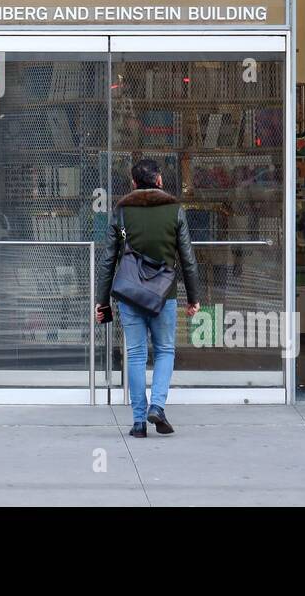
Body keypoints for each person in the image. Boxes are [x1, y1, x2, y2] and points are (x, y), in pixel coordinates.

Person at [96, 158, 202, 437]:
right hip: (163, 295)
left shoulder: (122, 212)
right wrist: (194, 297)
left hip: (129, 295)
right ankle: (158, 405)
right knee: (165, 350)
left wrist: (102, 300)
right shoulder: (174, 210)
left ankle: (139, 422)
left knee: (136, 354)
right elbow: (188, 258)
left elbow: (109, 257)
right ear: (159, 181)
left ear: (133, 183)